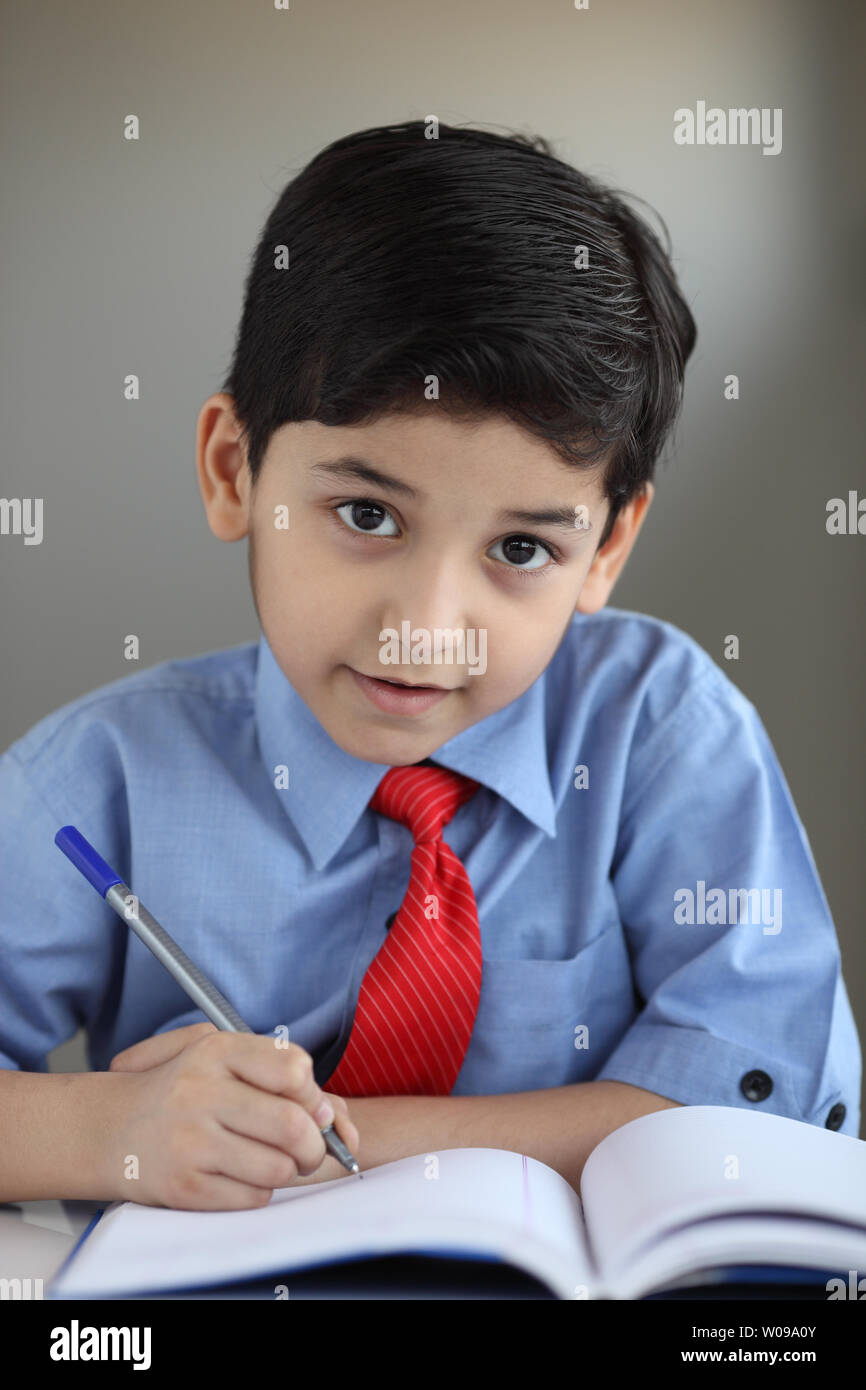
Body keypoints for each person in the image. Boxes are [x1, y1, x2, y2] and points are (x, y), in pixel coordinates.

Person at [0, 121, 858, 1211]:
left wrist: (330, 1148)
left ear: (604, 551)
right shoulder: (99, 777)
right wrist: (104, 1129)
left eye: (519, 549)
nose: (425, 627)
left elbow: (767, 1099)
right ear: (232, 470)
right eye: (365, 513)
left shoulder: (657, 727)